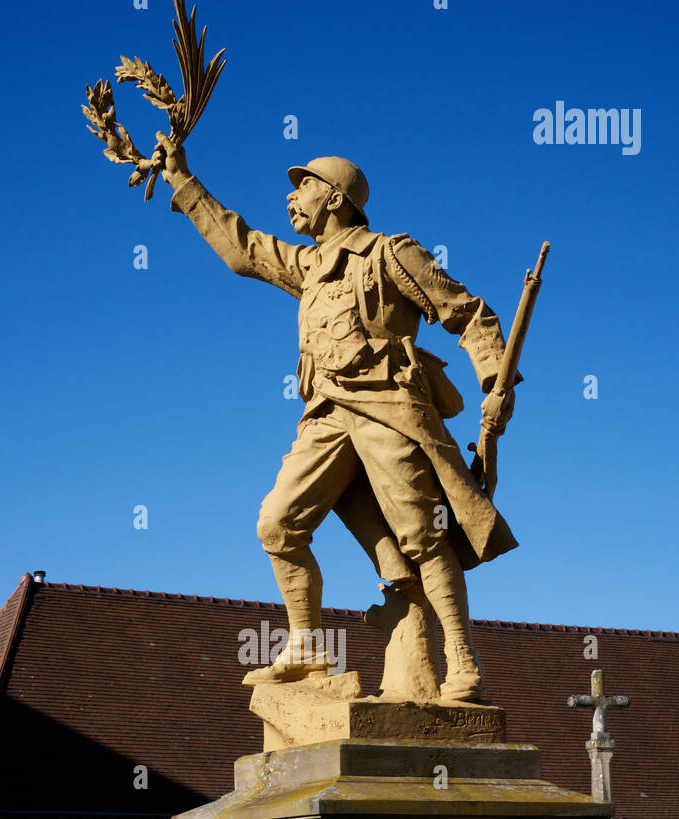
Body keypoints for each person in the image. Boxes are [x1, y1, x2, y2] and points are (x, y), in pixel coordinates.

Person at [157, 137, 519, 702]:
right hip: (326, 414)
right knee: (278, 525)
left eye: (302, 187)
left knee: (424, 536)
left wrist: (494, 378)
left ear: (334, 198)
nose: (290, 196)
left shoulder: (390, 253)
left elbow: (466, 311)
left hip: (389, 409)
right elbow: (242, 248)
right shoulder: (307, 265)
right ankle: (306, 646)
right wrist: (182, 180)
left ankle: (463, 663)